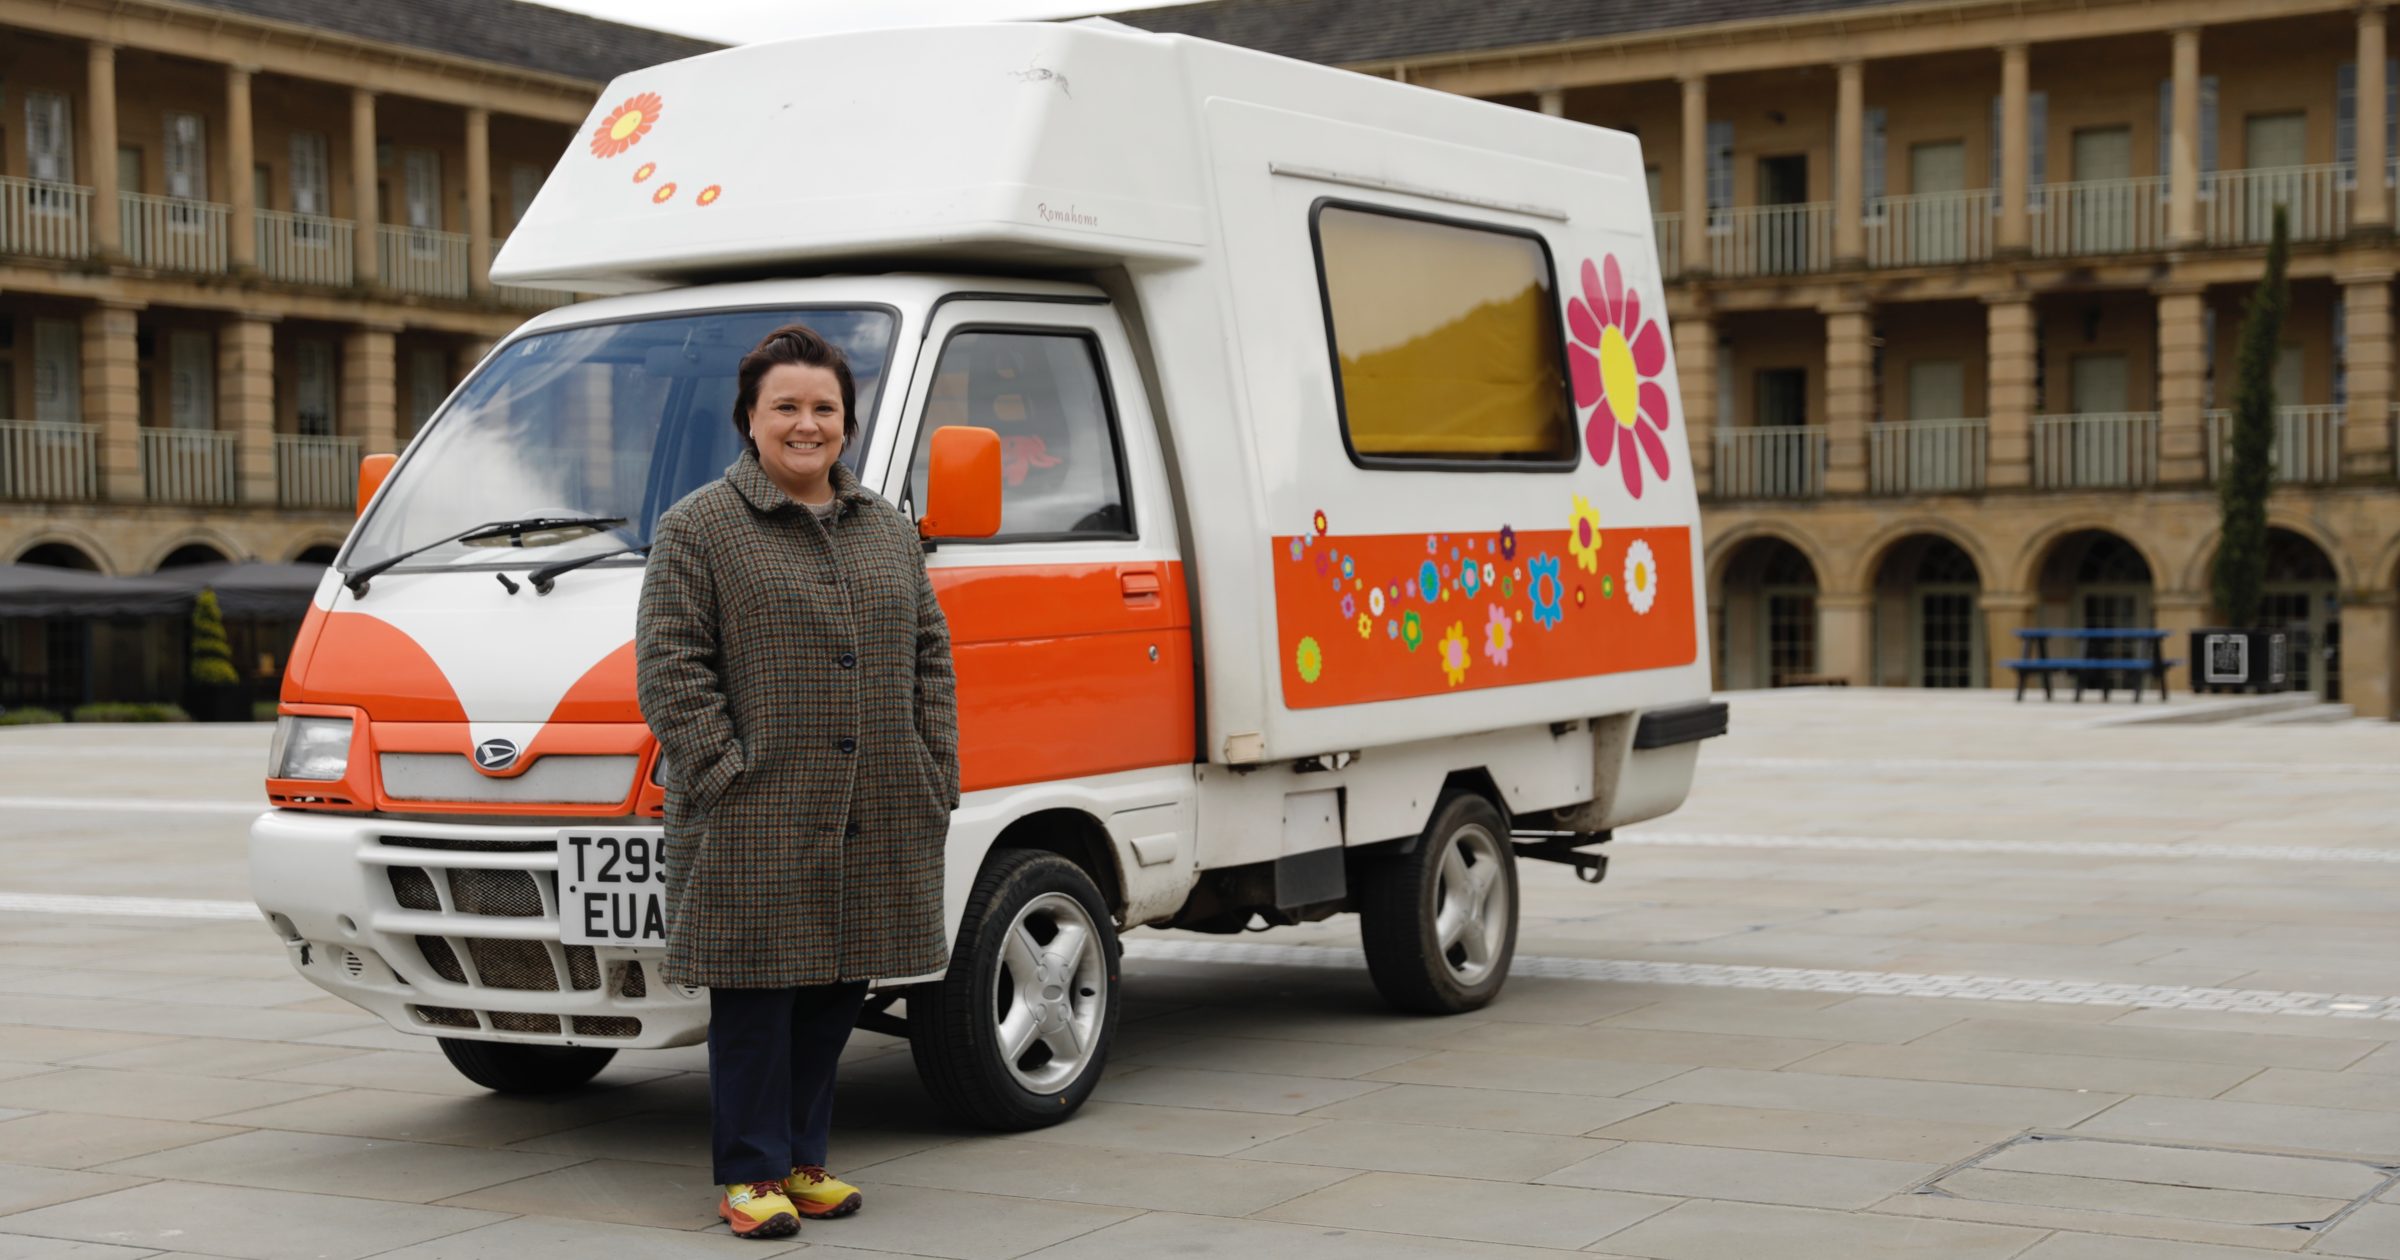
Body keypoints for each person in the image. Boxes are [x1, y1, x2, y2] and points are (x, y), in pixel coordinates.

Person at [636, 323, 960, 1241]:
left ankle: (803, 1162)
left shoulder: (887, 532)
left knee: (832, 993)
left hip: (878, 804)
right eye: (786, 406)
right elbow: (670, 665)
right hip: (754, 808)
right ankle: (748, 1176)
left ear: (846, 425)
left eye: (824, 408)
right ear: (750, 419)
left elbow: (931, 655)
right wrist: (722, 772)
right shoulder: (699, 527)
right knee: (754, 999)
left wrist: (936, 767)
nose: (806, 423)